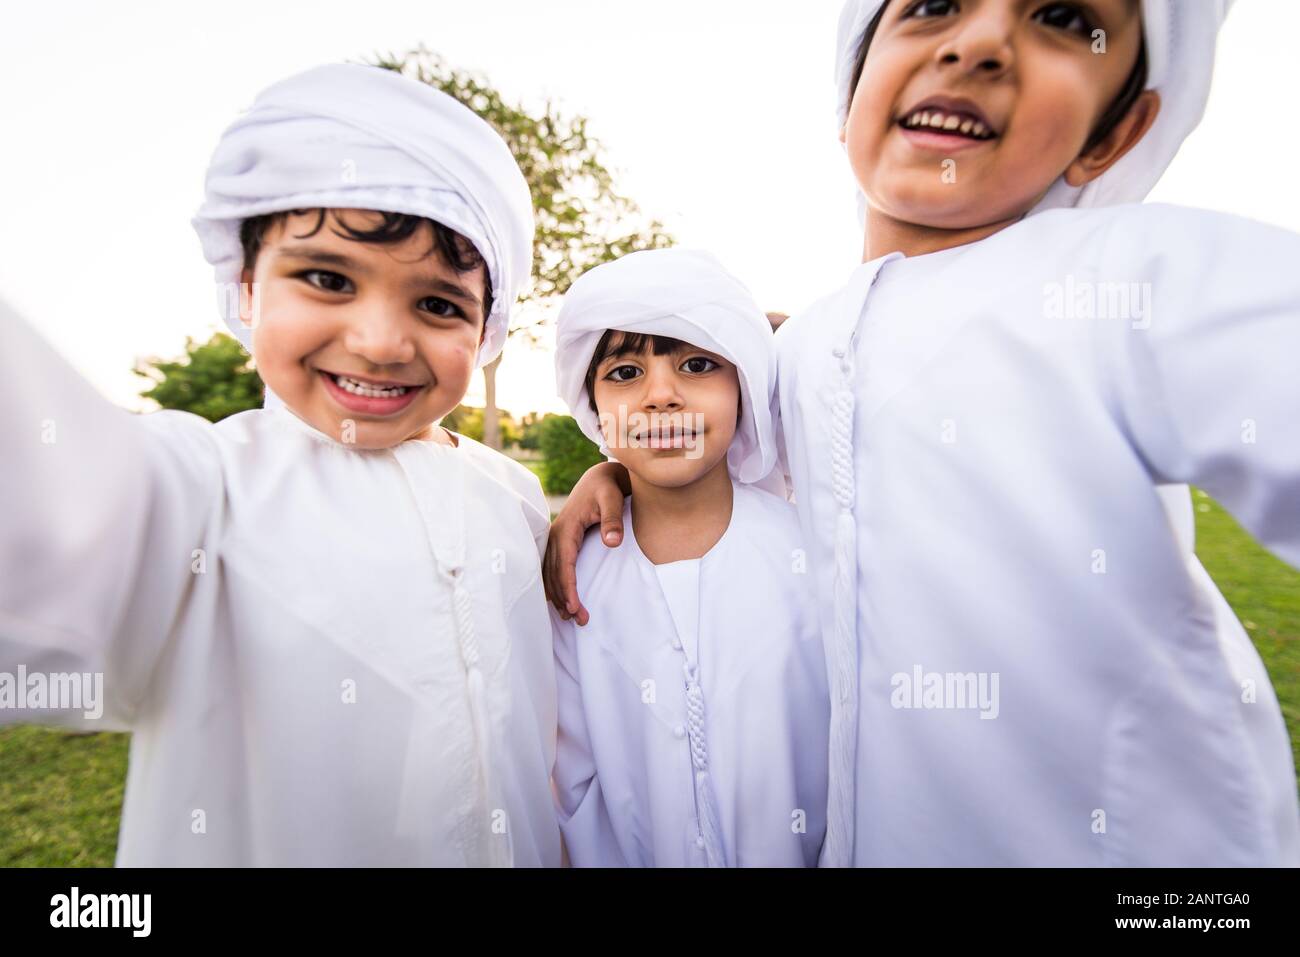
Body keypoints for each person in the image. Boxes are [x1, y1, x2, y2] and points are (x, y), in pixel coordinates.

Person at [545, 0, 1300, 866]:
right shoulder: (800, 355)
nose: (977, 43)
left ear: (1115, 131)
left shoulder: (1123, 282)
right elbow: (713, 451)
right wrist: (613, 483)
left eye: (1060, 17)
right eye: (933, 5)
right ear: (851, 90)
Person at [0, 63, 561, 866]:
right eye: (328, 278)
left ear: (488, 328)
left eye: (438, 303)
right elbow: (51, 510)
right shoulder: (201, 488)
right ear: (246, 288)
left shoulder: (514, 494)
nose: (380, 341)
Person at [550, 249, 828, 866]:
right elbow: (569, 783)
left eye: (697, 364)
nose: (661, 397)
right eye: (624, 373)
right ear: (593, 408)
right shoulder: (574, 579)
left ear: (745, 386)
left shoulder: (812, 556)